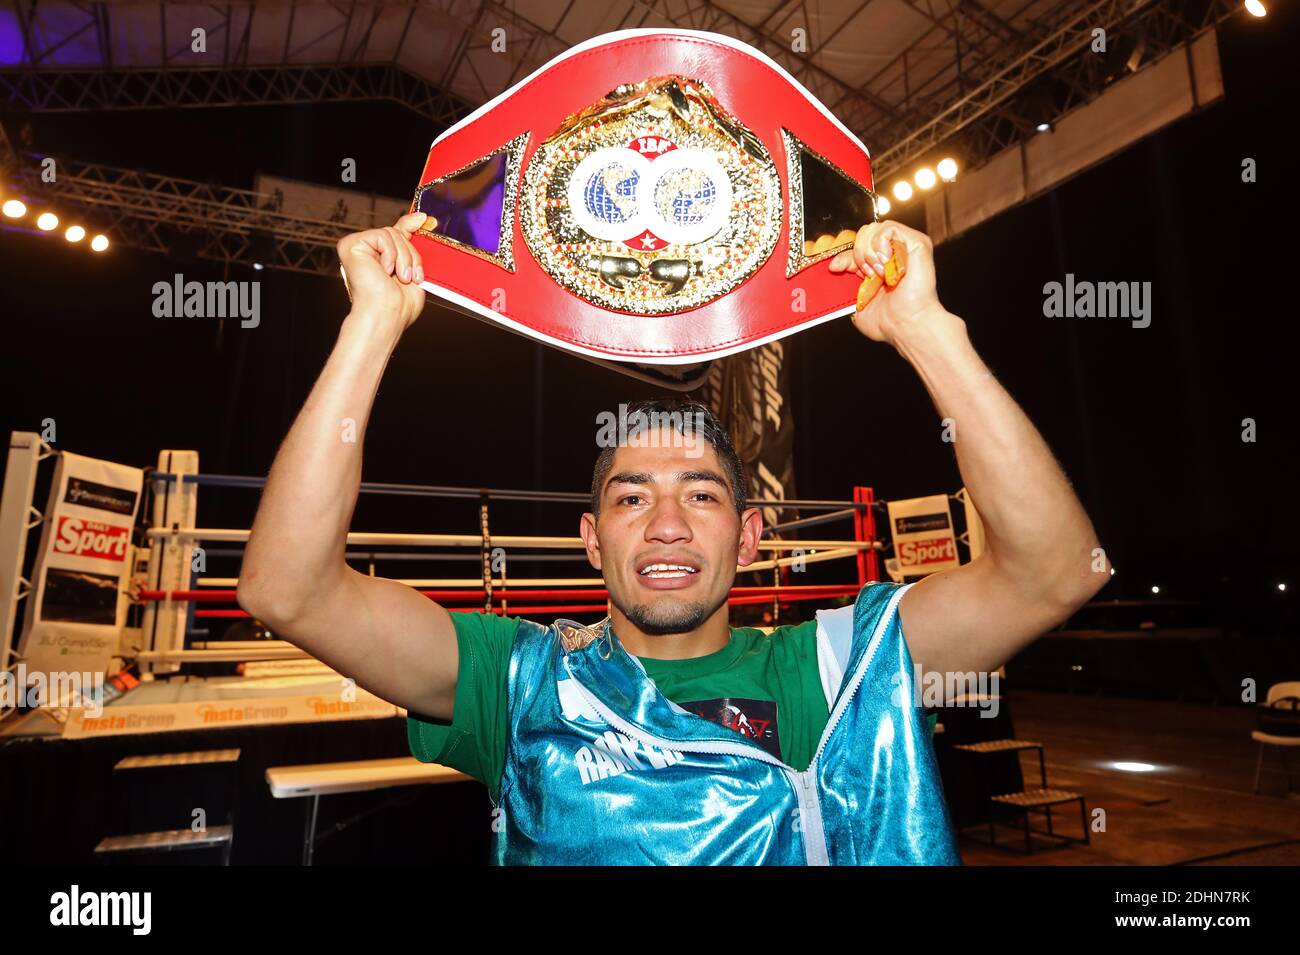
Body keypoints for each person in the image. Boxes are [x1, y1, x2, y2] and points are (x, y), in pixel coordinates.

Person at [238, 210, 1109, 864]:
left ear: (751, 535)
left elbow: (1058, 572)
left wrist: (927, 331)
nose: (665, 524)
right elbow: (286, 588)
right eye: (630, 499)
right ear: (590, 538)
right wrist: (371, 327)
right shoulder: (520, 682)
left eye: (700, 494)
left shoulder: (831, 672)